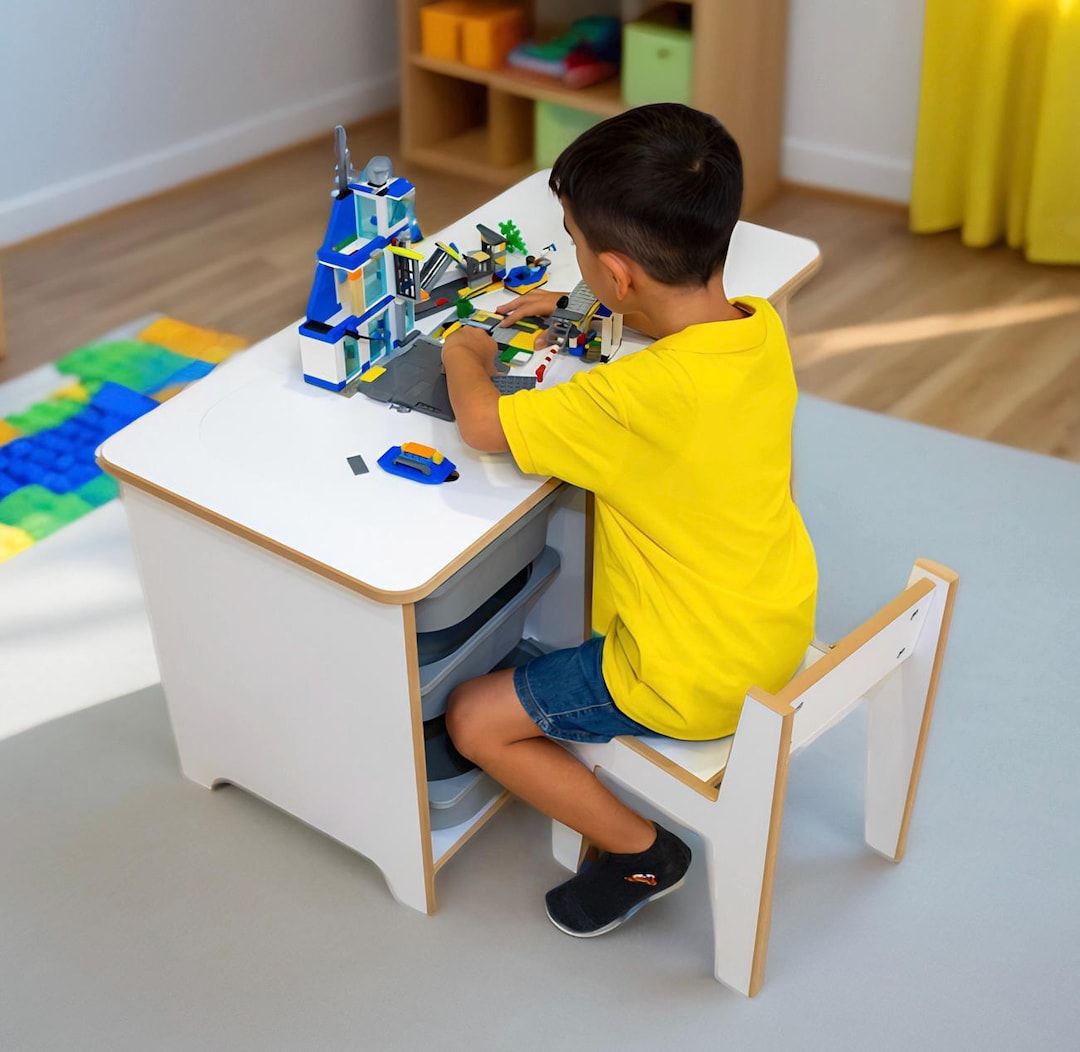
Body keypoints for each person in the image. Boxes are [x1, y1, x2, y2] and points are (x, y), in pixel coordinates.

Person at [439, 103, 817, 938]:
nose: (571, 255)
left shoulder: (630, 402)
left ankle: (642, 852)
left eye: (573, 241)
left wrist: (464, 349)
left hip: (685, 681)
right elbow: (665, 356)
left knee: (472, 716)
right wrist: (588, 307)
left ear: (617, 273)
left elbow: (482, 428)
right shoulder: (758, 330)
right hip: (773, 622)